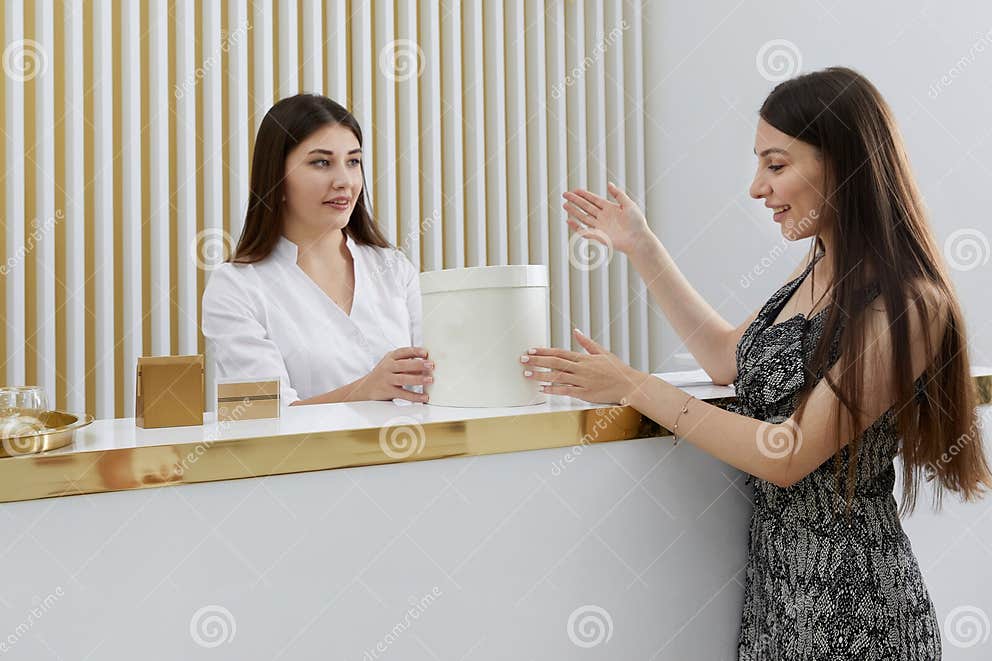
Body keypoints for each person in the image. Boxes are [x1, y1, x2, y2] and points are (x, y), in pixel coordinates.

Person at [524, 67, 992, 659]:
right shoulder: (813, 272)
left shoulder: (908, 305)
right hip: (778, 588)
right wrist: (642, 246)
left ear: (845, 164)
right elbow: (726, 358)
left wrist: (634, 386)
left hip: (857, 602)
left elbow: (790, 454)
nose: (755, 188)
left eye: (776, 165)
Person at [202, 94, 432, 406]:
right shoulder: (237, 286)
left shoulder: (394, 269)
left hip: (417, 453)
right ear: (277, 179)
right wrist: (363, 391)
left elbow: (442, 382)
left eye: (353, 162)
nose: (344, 181)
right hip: (307, 458)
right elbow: (262, 419)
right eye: (321, 162)